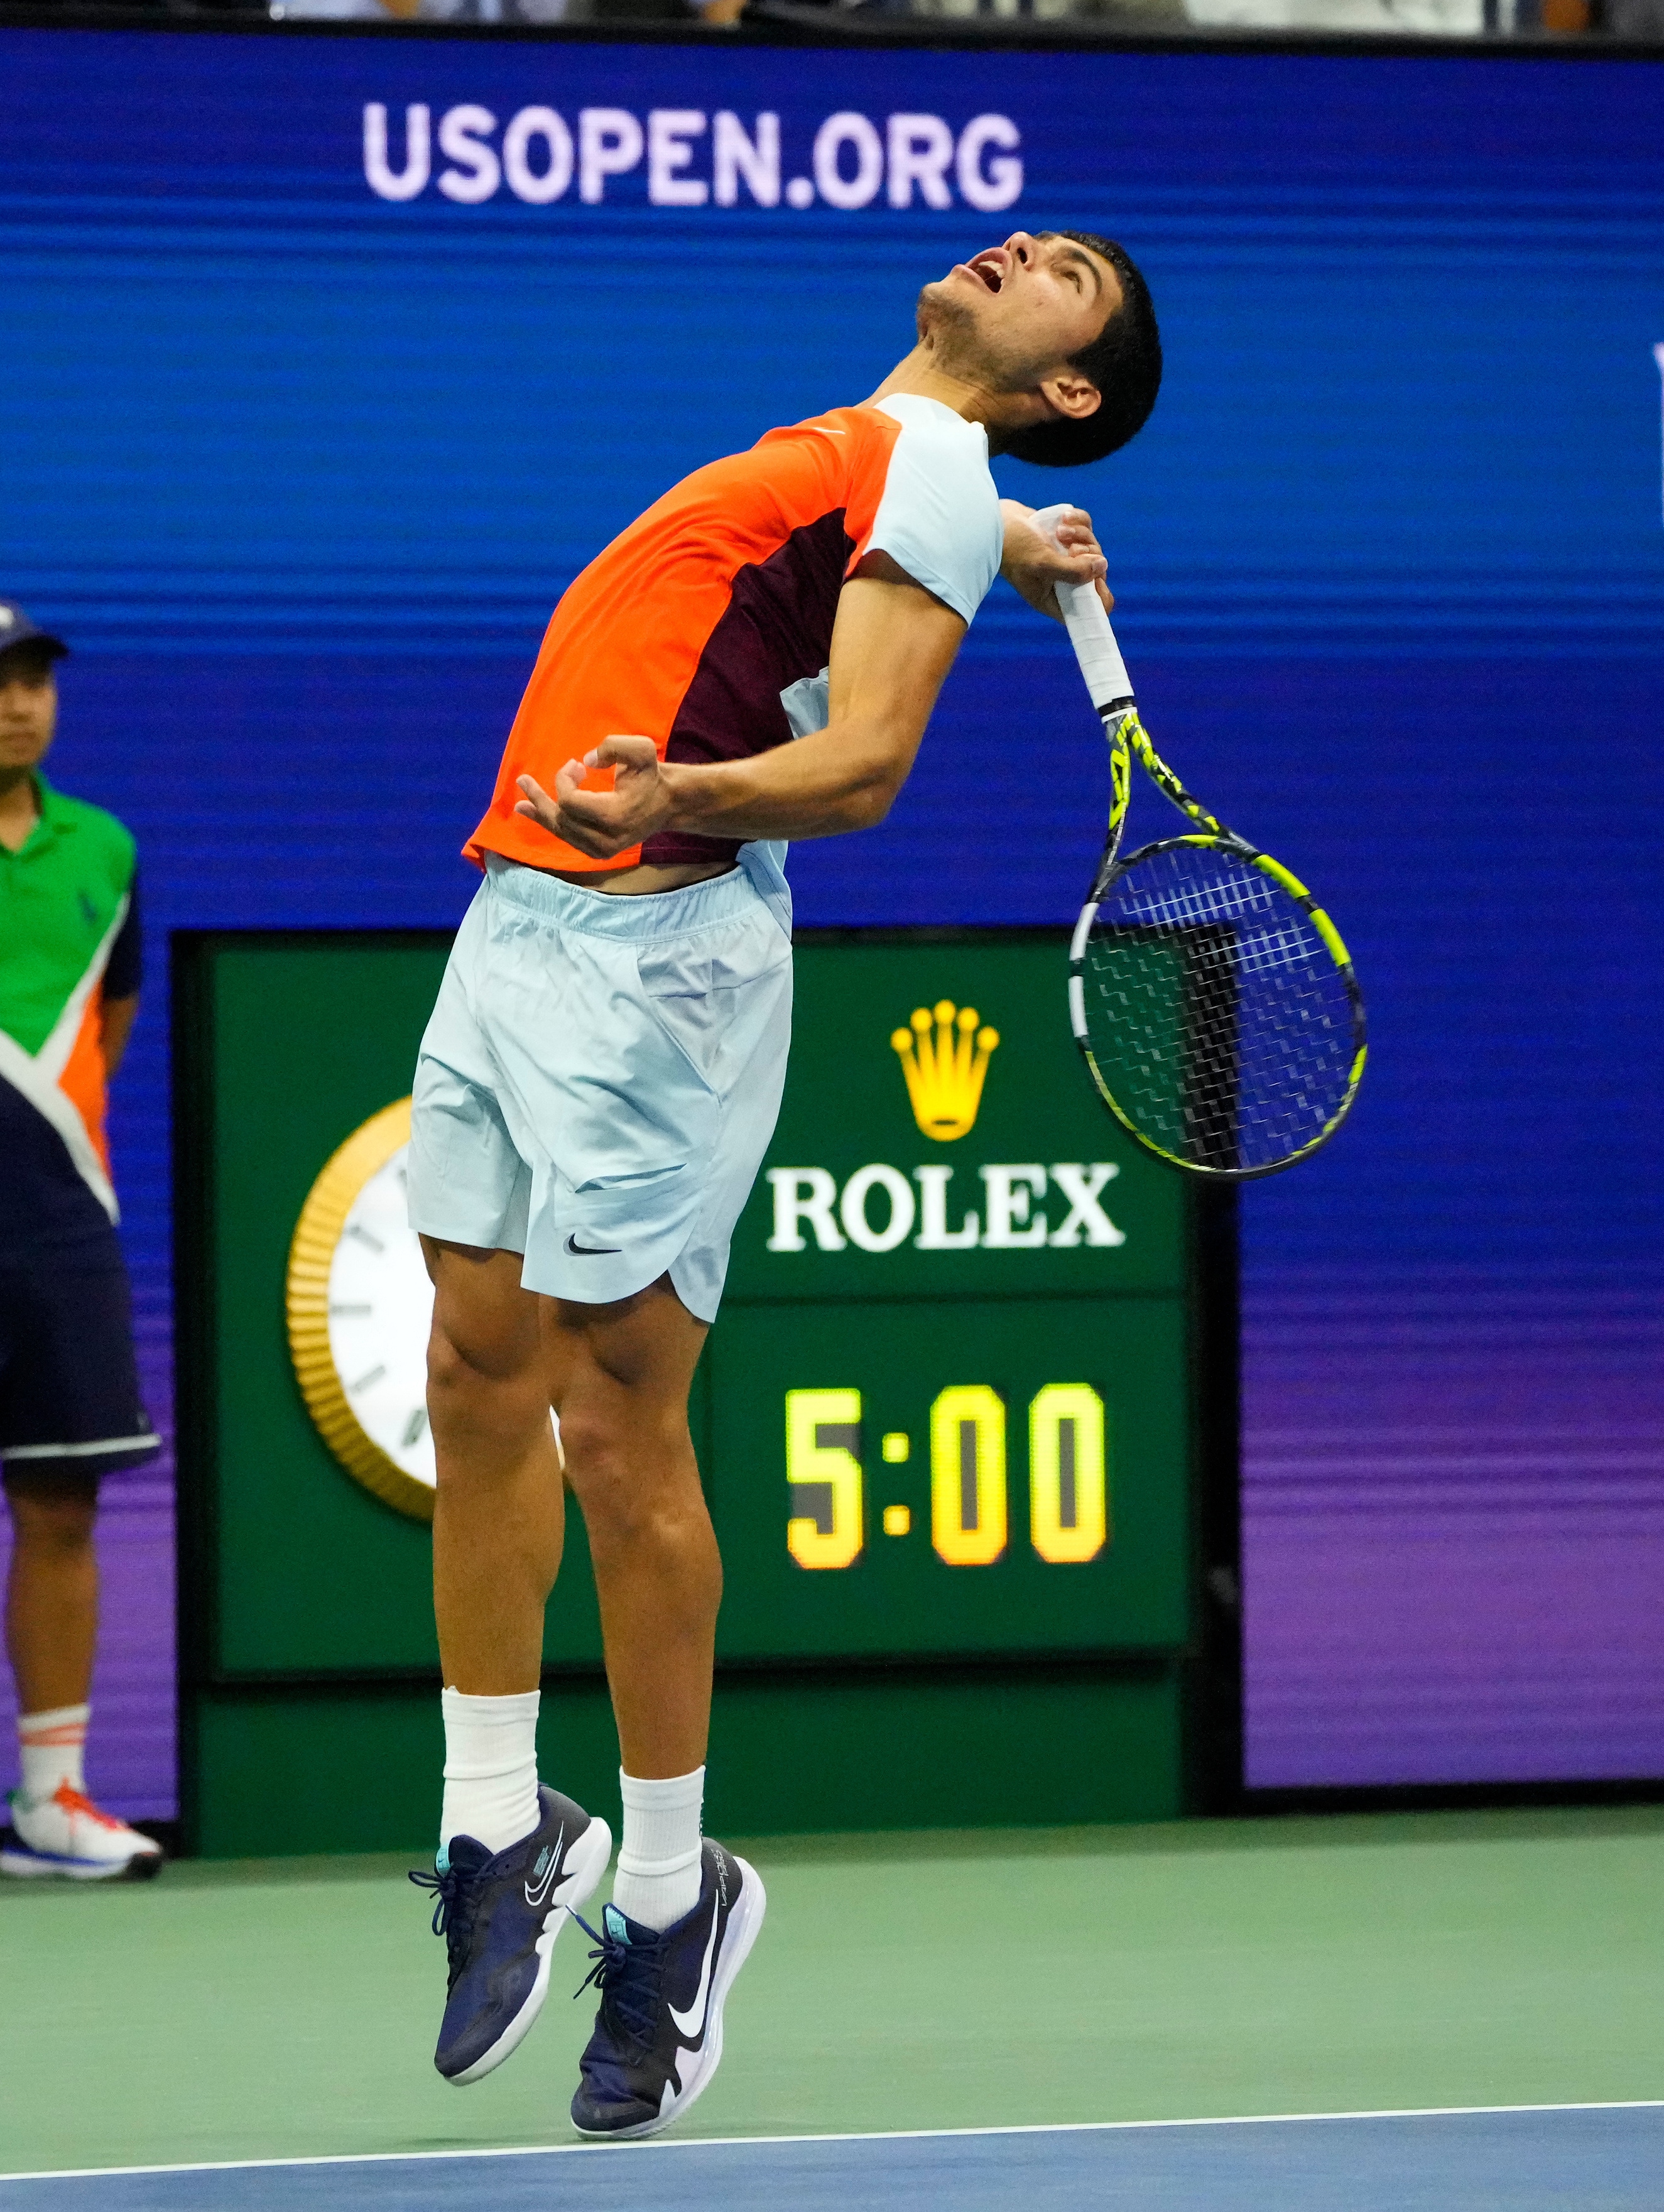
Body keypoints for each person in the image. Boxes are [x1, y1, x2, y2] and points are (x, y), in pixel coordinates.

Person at [405, 228, 1162, 2136]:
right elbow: (849, 587)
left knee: (615, 1424)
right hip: (518, 919)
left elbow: (870, 764)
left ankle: (671, 1899)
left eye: (1070, 274)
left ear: (1069, 386)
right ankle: (499, 1818)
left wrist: (667, 795)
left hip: (653, 958)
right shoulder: (906, 463)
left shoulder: (927, 461)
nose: (1027, 246)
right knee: (472, 1369)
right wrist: (1008, 537)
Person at [0, 602, 162, 1882]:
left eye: (34, 681)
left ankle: (51, 1800)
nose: (19, 703)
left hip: (60, 1224)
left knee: (61, 1499)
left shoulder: (103, 849)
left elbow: (109, 1025)